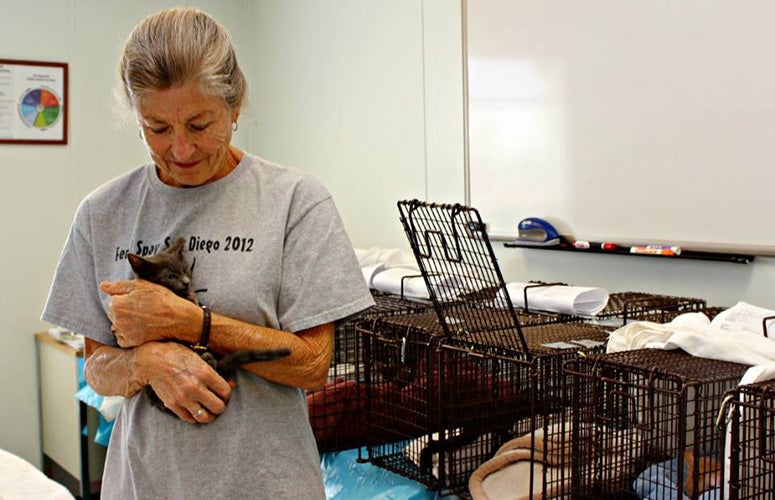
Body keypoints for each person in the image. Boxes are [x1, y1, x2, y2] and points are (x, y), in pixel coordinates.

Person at [42, 7, 374, 499]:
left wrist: (189, 322)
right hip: (143, 485)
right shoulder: (102, 212)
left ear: (234, 106)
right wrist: (145, 363)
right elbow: (97, 366)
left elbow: (312, 366)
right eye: (156, 128)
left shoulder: (294, 202)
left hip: (266, 485)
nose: (180, 149)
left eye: (200, 124)